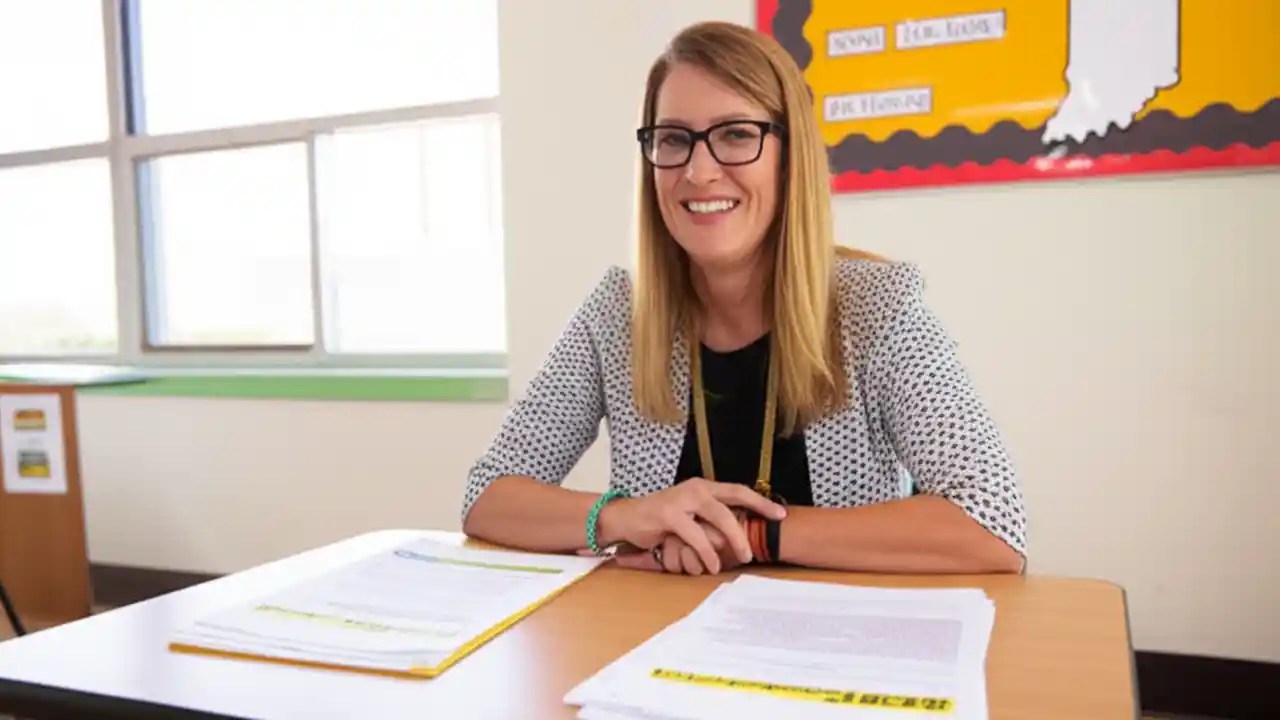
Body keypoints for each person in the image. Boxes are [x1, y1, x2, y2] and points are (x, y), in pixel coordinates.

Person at [460, 21, 1027, 576]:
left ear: (790, 154)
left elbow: (992, 524)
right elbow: (489, 497)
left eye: (736, 134)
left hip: (839, 648)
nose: (699, 171)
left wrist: (753, 536)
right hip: (654, 645)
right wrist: (623, 517)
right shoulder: (618, 313)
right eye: (674, 139)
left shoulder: (878, 306)